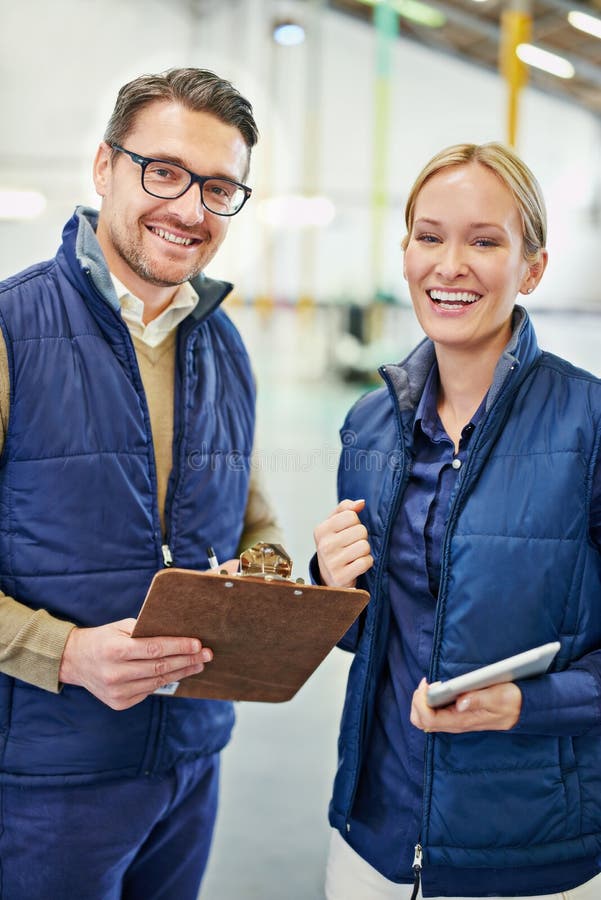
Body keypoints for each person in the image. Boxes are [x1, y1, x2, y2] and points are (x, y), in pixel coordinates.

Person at [0, 68, 281, 899]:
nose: (190, 209)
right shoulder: (12, 333)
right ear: (104, 167)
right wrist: (66, 653)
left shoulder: (222, 347)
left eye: (219, 187)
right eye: (164, 171)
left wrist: (262, 583)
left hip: (190, 766)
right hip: (45, 781)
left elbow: (252, 527)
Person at [314, 142, 601, 899]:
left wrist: (526, 704)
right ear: (405, 253)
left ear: (531, 268)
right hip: (372, 839)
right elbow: (370, 633)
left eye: (484, 241)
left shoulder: (590, 425)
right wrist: (328, 586)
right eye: (429, 236)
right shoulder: (370, 426)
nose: (449, 265)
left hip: (529, 850)